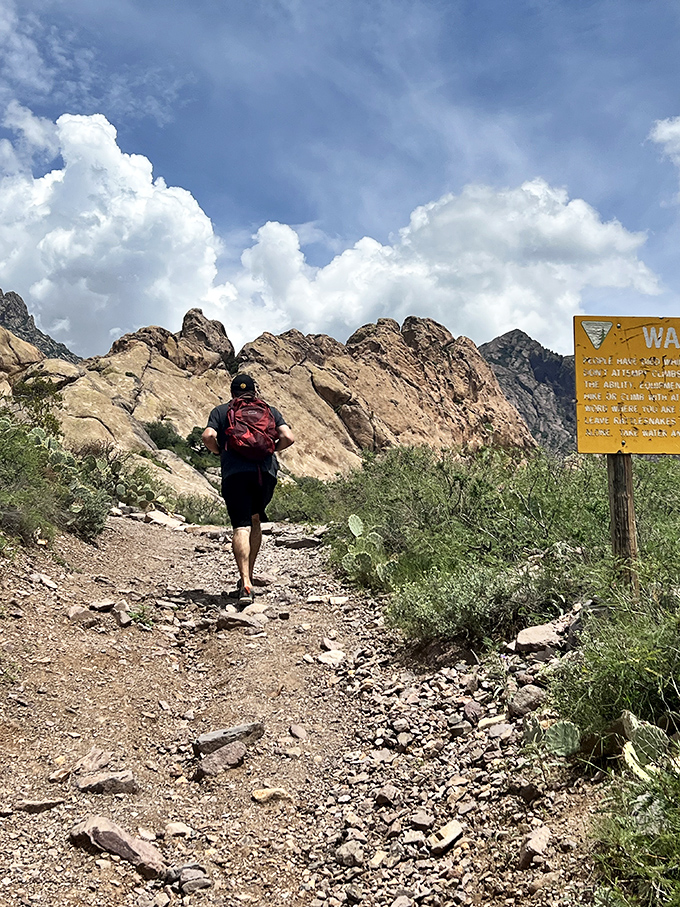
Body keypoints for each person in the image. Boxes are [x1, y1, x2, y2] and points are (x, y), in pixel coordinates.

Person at [202, 374, 294, 606]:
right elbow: (288, 437)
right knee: (255, 520)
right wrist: (271, 450)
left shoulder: (221, 411)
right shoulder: (270, 411)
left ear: (232, 392)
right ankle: (250, 575)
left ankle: (245, 583)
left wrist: (219, 451)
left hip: (235, 474)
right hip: (265, 474)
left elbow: (208, 436)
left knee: (240, 526)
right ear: (255, 391)